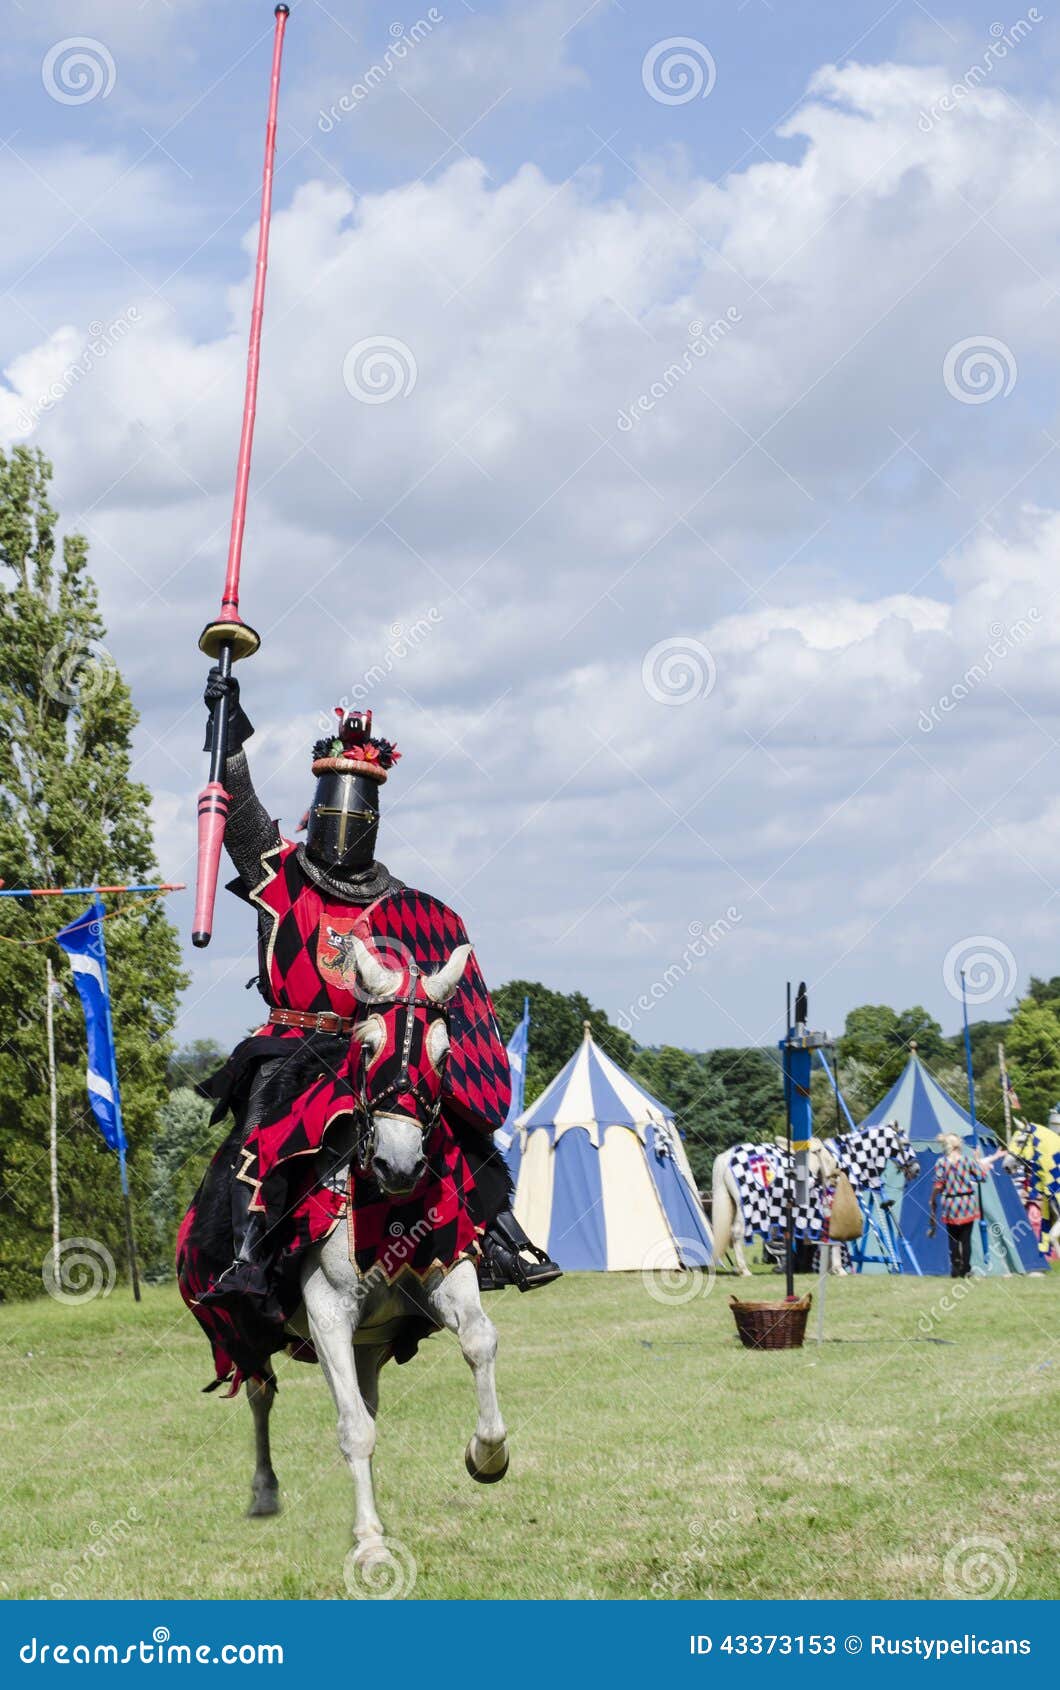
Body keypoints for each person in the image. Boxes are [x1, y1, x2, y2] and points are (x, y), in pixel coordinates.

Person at [194, 671, 560, 1314]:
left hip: (372, 1044)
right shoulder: (279, 874)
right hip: (291, 1043)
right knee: (261, 1123)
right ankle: (249, 1255)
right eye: (335, 812)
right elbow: (241, 811)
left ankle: (501, 1239)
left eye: (354, 816)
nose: (342, 825)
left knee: (453, 1124)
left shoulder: (400, 906)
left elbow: (434, 999)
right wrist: (228, 728)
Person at [928, 1132, 985, 1278]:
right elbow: (981, 1177)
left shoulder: (941, 1163)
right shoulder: (967, 1160)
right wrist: (977, 1160)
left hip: (951, 1204)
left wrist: (932, 1198)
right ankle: (966, 1269)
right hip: (967, 1202)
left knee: (953, 1238)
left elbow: (938, 1185)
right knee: (966, 1240)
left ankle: (955, 1265)